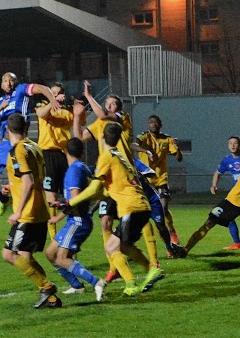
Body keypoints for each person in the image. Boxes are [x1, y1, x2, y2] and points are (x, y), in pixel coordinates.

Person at [64, 122, 160, 295]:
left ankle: (136, 280)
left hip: (131, 208)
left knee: (111, 247)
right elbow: (106, 191)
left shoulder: (106, 157)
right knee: (123, 245)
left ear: (101, 137)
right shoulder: (121, 155)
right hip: (141, 206)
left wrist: (70, 202)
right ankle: (145, 273)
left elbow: (94, 188)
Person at [0, 114, 61, 307]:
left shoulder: (17, 151)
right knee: (25, 255)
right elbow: (30, 178)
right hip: (40, 210)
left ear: (7, 130)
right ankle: (50, 299)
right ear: (25, 128)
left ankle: (46, 287)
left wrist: (18, 212)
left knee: (9, 254)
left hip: (27, 214)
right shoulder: (34, 146)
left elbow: (28, 181)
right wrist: (12, 187)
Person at [0, 72, 49, 209]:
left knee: (25, 180)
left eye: (11, 80)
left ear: (16, 82)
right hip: (4, 145)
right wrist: (0, 108)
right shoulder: (1, 101)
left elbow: (42, 88)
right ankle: (3, 199)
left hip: (19, 143)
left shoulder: (21, 91)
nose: (8, 83)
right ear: (1, 85)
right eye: (5, 81)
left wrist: (53, 100)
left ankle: (28, 209)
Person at [44, 137, 103, 299]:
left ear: (64, 151)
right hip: (76, 219)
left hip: (77, 221)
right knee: (50, 253)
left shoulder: (74, 171)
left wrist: (60, 213)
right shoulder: (83, 168)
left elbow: (75, 199)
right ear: (82, 152)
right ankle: (77, 286)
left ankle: (96, 282)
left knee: (62, 258)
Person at [135, 115, 183, 245]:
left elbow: (179, 158)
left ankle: (172, 232)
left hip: (161, 179)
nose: (153, 124)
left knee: (163, 210)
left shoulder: (167, 139)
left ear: (160, 124)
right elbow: (133, 145)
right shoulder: (144, 137)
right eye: (151, 122)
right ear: (148, 124)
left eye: (156, 122)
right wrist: (145, 151)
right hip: (145, 181)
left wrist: (177, 148)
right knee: (142, 213)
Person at [210, 136, 240, 251]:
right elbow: (217, 173)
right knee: (228, 216)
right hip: (238, 194)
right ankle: (237, 243)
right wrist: (214, 185)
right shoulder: (227, 160)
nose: (233, 145)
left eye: (235, 143)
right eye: (230, 143)